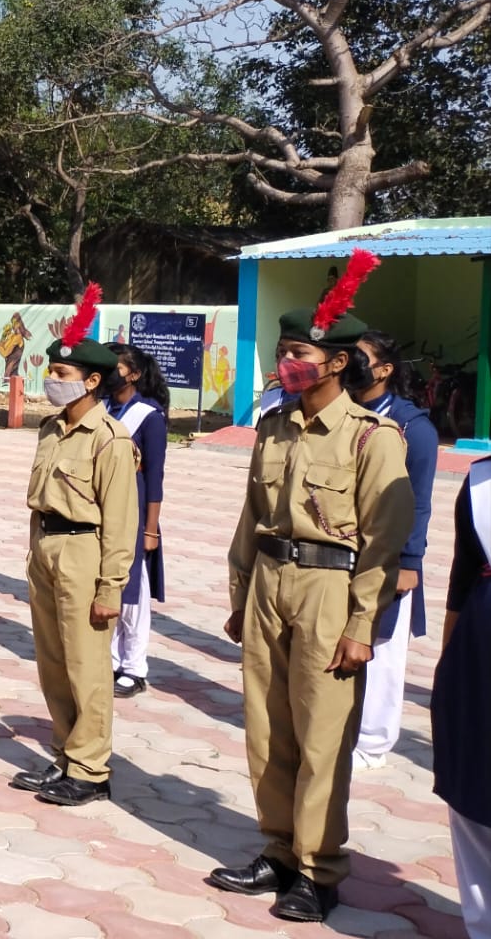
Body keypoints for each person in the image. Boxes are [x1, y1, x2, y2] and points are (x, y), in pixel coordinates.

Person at [211, 250, 414, 924]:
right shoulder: (274, 424)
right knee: (267, 728)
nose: (285, 362)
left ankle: (320, 870)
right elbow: (251, 517)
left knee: (323, 734)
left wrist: (362, 627)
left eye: (297, 351)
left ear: (334, 361)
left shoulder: (371, 438)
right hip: (269, 581)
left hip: (329, 590)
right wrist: (240, 595)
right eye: (282, 350)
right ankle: (277, 850)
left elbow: (383, 545)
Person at [10, 284, 138, 807]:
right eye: (52, 372)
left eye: (62, 375)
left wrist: (111, 588)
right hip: (48, 550)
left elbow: (120, 521)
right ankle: (64, 752)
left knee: (87, 666)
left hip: (86, 553)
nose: (51, 380)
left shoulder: (110, 439)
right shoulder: (51, 429)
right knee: (53, 661)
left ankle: (90, 769)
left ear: (90, 381)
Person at [351, 329, 438, 769]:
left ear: (384, 369)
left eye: (360, 357)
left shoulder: (410, 426)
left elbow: (420, 501)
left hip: (388, 556)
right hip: (345, 551)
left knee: (382, 649)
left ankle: (373, 742)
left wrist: (409, 561)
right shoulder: (343, 413)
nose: (349, 363)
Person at [432, 456, 491, 939]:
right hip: (479, 651)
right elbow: (461, 579)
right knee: (473, 794)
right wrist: (447, 668)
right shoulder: (479, 482)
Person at [105, 343, 169, 698]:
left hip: (136, 513)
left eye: (117, 367)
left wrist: (150, 529)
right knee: (108, 587)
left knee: (134, 593)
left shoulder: (148, 415)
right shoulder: (102, 408)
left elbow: (156, 477)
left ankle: (135, 665)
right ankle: (112, 658)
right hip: (104, 511)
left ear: (134, 373)